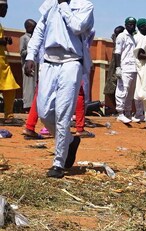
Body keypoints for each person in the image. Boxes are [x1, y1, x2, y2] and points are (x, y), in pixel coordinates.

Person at [23, 0, 92, 179]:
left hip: (71, 62)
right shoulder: (49, 5)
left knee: (63, 113)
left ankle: (58, 163)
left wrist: (63, 5)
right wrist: (31, 55)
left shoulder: (85, 6)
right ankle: (69, 141)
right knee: (45, 112)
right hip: (48, 62)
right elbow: (39, 31)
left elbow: (77, 26)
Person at [113, 17, 140, 124]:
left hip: (134, 68)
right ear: (125, 24)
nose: (131, 26)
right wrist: (118, 67)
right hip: (125, 68)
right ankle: (120, 113)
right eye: (129, 24)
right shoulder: (122, 36)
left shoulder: (134, 37)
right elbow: (117, 53)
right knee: (122, 90)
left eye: (133, 24)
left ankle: (128, 112)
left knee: (131, 92)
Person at [0, 4, 20, 123]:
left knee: (10, 87)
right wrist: (3, 40)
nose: (6, 11)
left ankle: (9, 115)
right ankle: (8, 115)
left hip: (2, 59)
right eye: (4, 8)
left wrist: (5, 40)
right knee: (9, 86)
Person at [103, 25, 122, 115]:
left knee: (121, 92)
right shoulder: (116, 43)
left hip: (122, 69)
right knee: (109, 90)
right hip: (113, 69)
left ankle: (121, 111)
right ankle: (118, 109)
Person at [19, 19, 36, 113]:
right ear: (28, 27)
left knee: (36, 86)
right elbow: (21, 52)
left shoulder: (36, 38)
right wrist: (31, 50)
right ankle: (27, 106)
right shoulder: (24, 38)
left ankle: (35, 106)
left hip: (35, 65)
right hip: (27, 66)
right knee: (28, 86)